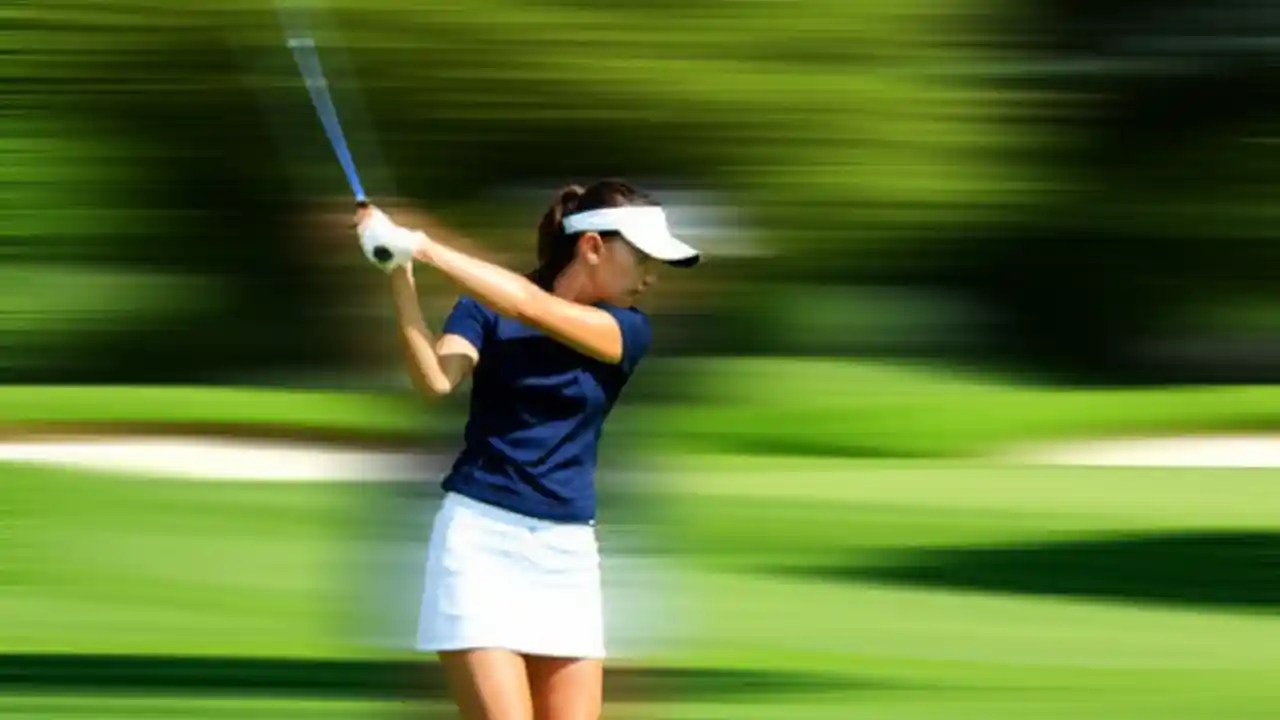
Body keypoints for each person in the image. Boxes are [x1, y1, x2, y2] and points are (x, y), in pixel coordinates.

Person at [353, 179, 700, 720]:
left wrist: (421, 243)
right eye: (641, 260)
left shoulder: (625, 330)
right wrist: (399, 272)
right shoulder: (482, 311)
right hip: (478, 544)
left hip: (567, 557)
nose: (650, 277)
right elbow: (436, 381)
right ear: (593, 247)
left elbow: (530, 306)